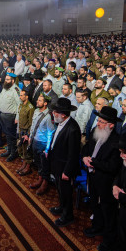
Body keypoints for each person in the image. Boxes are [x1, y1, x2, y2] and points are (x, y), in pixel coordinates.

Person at [81, 105, 122, 251]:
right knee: (94, 203)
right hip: (92, 177)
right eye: (98, 120)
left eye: (102, 122)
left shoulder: (117, 141)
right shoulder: (95, 131)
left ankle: (110, 241)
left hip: (106, 181)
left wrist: (92, 162)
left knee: (108, 210)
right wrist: (84, 157)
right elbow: (87, 148)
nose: (98, 123)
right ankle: (97, 226)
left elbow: (112, 166)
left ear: (111, 125)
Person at [45, 97, 81, 227]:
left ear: (63, 114)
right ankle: (61, 207)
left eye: (56, 112)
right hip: (57, 164)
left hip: (65, 168)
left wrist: (67, 171)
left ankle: (67, 216)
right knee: (60, 190)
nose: (53, 114)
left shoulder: (73, 129)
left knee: (66, 192)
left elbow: (73, 154)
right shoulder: (61, 123)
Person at [26, 93, 55, 196]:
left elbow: (51, 133)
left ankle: (44, 183)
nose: (37, 102)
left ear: (45, 103)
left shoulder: (48, 116)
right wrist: (30, 137)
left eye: (40, 101)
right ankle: (40, 179)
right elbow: (33, 125)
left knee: (45, 164)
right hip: (34, 140)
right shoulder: (36, 111)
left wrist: (47, 149)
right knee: (38, 163)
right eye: (37, 100)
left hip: (43, 143)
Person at [0, 72, 22, 161]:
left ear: (13, 80)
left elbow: (20, 105)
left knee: (12, 136)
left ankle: (13, 153)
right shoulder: (5, 88)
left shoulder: (16, 90)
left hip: (11, 116)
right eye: (5, 79)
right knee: (7, 135)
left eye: (8, 79)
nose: (6, 81)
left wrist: (17, 118)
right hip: (3, 115)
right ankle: (9, 150)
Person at [14, 89, 34, 175]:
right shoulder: (21, 105)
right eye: (20, 95)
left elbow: (31, 123)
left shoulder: (30, 108)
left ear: (27, 96)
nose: (20, 97)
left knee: (26, 150)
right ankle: (24, 163)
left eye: (22, 95)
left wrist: (28, 135)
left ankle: (28, 167)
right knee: (21, 148)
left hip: (26, 132)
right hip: (20, 129)